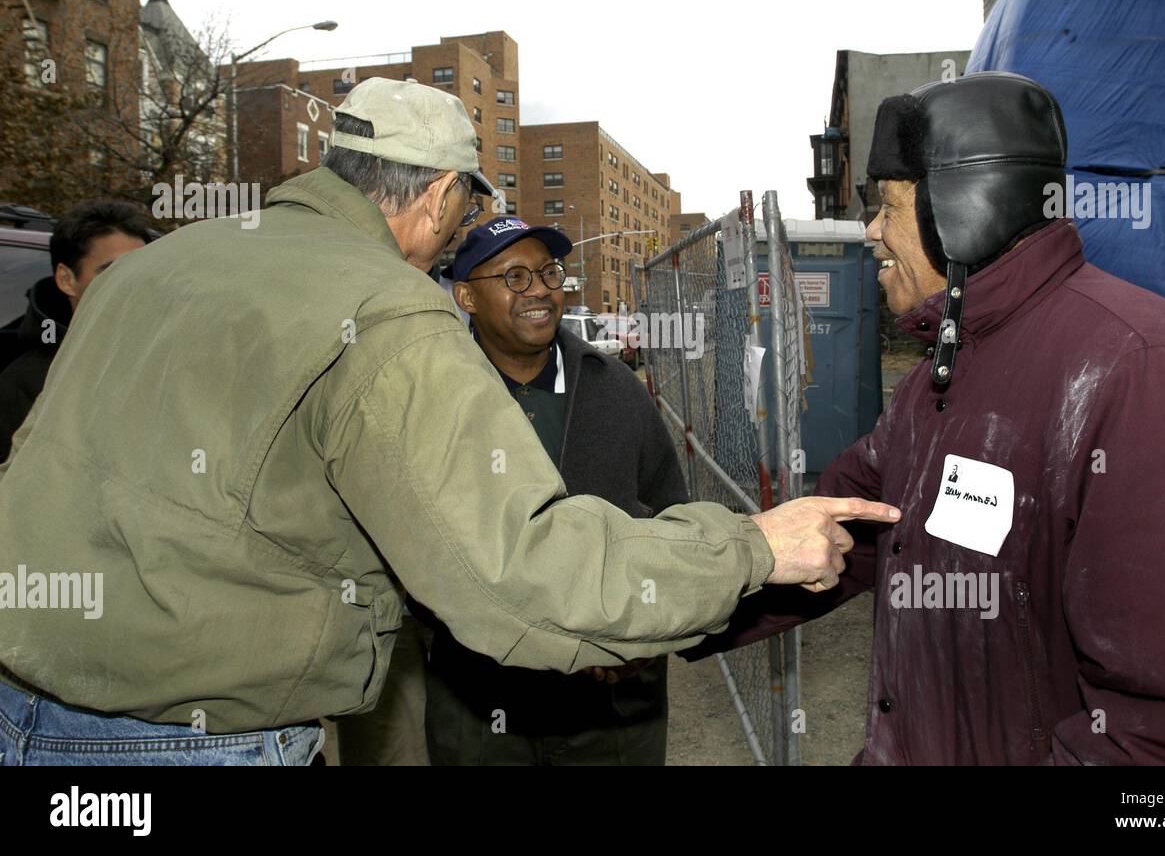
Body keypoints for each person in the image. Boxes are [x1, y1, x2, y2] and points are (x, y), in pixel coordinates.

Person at [0, 76, 895, 765]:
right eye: (465, 214)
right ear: (435, 201)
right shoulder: (385, 312)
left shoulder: (151, 270)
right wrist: (751, 548)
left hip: (23, 702)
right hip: (192, 738)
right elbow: (512, 572)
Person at [683, 71, 1165, 765]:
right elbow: (830, 531)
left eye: (886, 206)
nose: (871, 232)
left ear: (968, 207)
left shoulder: (1142, 370)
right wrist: (661, 607)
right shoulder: (936, 380)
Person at [417, 218, 683, 765]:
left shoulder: (617, 391)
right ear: (466, 295)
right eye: (514, 276)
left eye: (548, 272)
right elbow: (410, 548)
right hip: (480, 704)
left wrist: (641, 636)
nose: (538, 288)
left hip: (612, 707)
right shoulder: (432, 399)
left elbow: (670, 522)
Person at [0, 201, 151, 461]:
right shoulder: (28, 384)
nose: (133, 285)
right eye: (113, 271)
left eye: (143, 271)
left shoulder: (168, 355)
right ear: (66, 279)